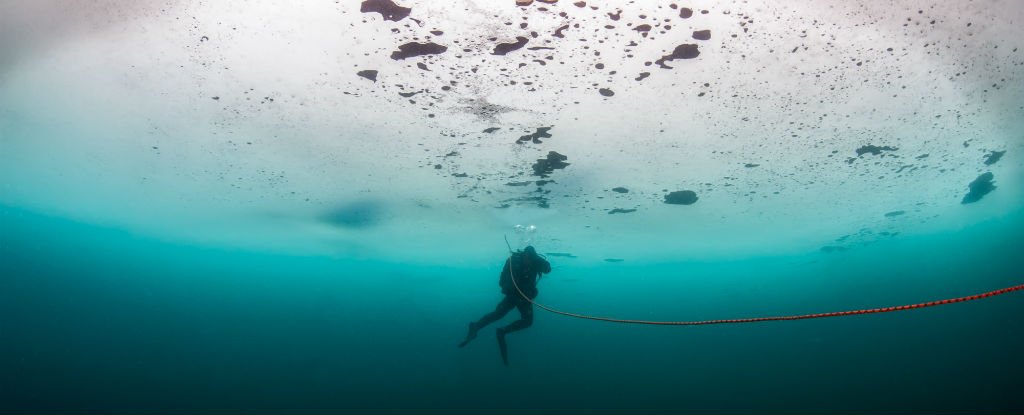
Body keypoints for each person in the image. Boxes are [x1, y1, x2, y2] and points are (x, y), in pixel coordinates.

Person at [458, 245, 552, 366]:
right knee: (498, 314)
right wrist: (511, 290)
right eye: (528, 259)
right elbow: (503, 280)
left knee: (527, 321)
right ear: (525, 255)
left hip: (525, 297)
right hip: (513, 295)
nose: (529, 262)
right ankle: (475, 326)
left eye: (532, 259)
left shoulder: (535, 261)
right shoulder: (514, 261)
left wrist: (539, 260)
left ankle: (502, 331)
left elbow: (547, 269)